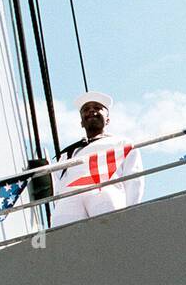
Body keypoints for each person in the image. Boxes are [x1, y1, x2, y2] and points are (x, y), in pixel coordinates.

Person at [50, 93, 145, 227]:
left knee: (110, 232)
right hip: (69, 196)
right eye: (86, 109)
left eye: (97, 108)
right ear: (81, 122)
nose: (91, 111)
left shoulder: (121, 142)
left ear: (107, 119)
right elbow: (58, 185)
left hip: (104, 190)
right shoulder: (66, 154)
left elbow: (134, 179)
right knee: (64, 237)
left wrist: (131, 211)